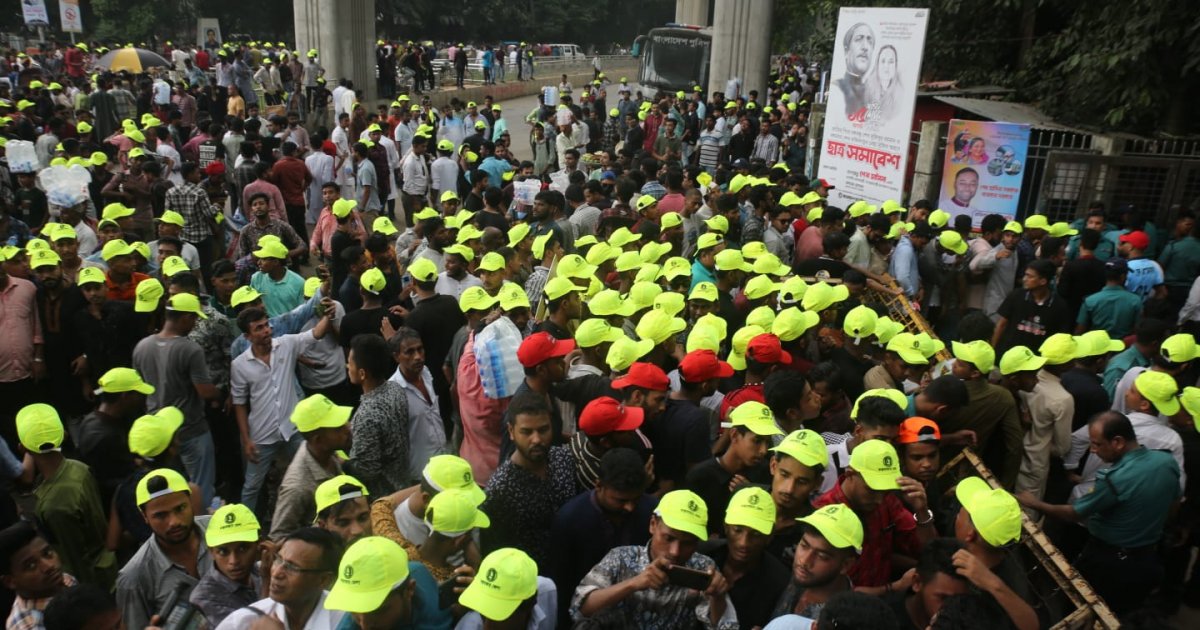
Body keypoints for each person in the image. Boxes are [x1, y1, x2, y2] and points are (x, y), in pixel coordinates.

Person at [1017, 412, 1181, 615]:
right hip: (1147, 557)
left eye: (1096, 444)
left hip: (1109, 563)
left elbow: (1074, 513)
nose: (1092, 450)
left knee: (1082, 612)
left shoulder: (1115, 479)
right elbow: (1175, 502)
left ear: (1118, 442)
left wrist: (1034, 503)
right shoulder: (1165, 461)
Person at [570, 490, 737, 629]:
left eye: (687, 543)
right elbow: (580, 608)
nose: (675, 552)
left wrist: (717, 597)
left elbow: (724, 625)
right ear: (653, 525)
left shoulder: (703, 568)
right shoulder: (620, 559)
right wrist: (633, 583)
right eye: (668, 538)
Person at [231, 304, 335, 515]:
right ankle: (247, 526)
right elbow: (239, 403)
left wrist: (328, 315)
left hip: (292, 429)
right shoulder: (240, 365)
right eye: (259, 328)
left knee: (315, 471)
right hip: (262, 436)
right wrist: (246, 440)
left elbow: (315, 334)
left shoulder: (286, 344)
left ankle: (325, 515)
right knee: (252, 487)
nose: (266, 331)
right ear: (247, 336)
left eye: (266, 325)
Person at [547, 447, 655, 626]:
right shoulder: (570, 520)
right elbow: (562, 584)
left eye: (636, 499)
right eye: (621, 500)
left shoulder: (651, 512)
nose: (629, 507)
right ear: (598, 486)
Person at [132, 293, 222, 505]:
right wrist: (220, 394)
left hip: (159, 435)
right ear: (185, 318)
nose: (195, 323)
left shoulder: (142, 346)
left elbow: (139, 389)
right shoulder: (190, 349)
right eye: (194, 318)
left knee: (169, 490)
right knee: (201, 487)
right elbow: (205, 391)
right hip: (191, 429)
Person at [17, 404, 116, 590]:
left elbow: (76, 561)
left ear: (22, 448)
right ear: (64, 435)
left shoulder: (54, 506)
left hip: (94, 584)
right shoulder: (79, 468)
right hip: (108, 565)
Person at [812, 440, 934, 587]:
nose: (879, 499)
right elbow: (825, 586)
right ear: (850, 474)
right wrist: (893, 588)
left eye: (885, 490)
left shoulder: (887, 501)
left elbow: (926, 550)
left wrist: (922, 512)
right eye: (872, 490)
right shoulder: (824, 512)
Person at [481, 401, 577, 568]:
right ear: (511, 432)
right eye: (526, 432)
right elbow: (493, 552)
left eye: (543, 430)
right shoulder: (499, 490)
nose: (537, 439)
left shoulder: (563, 458)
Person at [116, 468, 212, 630]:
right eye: (161, 515)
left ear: (190, 502)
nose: (174, 522)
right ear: (145, 516)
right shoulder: (134, 577)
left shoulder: (220, 530)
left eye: (180, 508)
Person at [216, 527, 346, 630]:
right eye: (278, 559)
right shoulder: (244, 621)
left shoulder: (346, 620)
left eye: (292, 567)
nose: (277, 573)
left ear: (324, 580)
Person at [686, 401, 781, 534]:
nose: (763, 450)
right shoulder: (701, 477)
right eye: (757, 441)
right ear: (734, 435)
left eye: (767, 442)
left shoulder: (766, 474)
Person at [700, 487, 790, 629]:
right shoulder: (702, 555)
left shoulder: (779, 582)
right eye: (738, 530)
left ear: (770, 536)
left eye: (756, 534)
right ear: (726, 527)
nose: (744, 543)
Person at [324, 536, 454, 630]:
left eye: (377, 611)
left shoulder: (419, 572)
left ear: (409, 589)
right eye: (354, 609)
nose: (365, 625)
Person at [270, 394, 354, 540]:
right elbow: (278, 536)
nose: (348, 428)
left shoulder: (328, 452)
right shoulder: (297, 487)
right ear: (318, 440)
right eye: (338, 428)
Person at [348, 334, 412, 495]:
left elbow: (367, 470)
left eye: (350, 363)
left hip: (385, 496)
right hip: (403, 481)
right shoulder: (396, 389)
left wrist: (342, 462)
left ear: (362, 373)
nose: (347, 367)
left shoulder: (366, 415)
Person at [189, 504, 267, 628]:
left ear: (259, 545)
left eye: (242, 549)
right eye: (223, 552)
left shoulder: (261, 570)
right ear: (211, 552)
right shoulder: (204, 599)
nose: (233, 561)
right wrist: (267, 582)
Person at [456, 547, 557, 630]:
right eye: (483, 613)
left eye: (498, 617)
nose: (487, 627)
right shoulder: (470, 626)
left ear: (530, 604)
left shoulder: (547, 593)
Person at [0, 521, 76, 630]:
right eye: (31, 566)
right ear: (10, 581)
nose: (49, 566)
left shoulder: (65, 580)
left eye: (47, 553)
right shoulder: (31, 626)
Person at [833, 22, 875, 117]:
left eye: (870, 41)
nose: (865, 47)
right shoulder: (836, 88)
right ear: (846, 51)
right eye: (859, 39)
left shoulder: (874, 93)